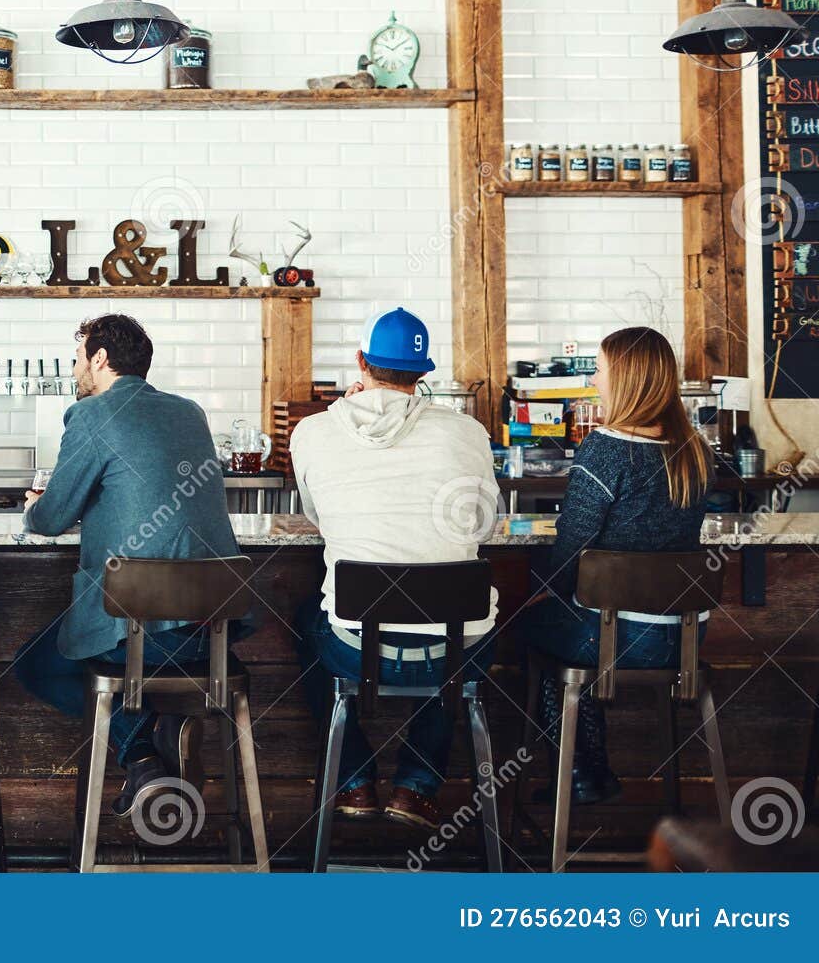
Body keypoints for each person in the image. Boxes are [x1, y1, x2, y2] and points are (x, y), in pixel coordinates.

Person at [13, 314, 241, 820]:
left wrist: (35, 504)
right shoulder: (190, 412)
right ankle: (153, 747)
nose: (75, 369)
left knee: (35, 668)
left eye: (78, 358)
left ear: (98, 358)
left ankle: (145, 747)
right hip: (211, 629)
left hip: (138, 631)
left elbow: (51, 519)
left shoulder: (92, 414)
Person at [290, 306, 500, 830]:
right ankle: (416, 788)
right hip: (451, 649)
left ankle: (355, 779)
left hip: (356, 647)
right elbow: (486, 525)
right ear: (425, 373)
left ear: (361, 362)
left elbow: (318, 517)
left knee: (307, 623)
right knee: (454, 628)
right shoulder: (468, 432)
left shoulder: (313, 432)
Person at [515, 326, 712, 805]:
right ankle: (591, 770)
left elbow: (572, 545)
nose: (594, 382)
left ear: (624, 379)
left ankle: (583, 770)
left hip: (613, 637)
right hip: (682, 640)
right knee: (573, 630)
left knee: (530, 627)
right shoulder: (695, 451)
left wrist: (538, 592)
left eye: (599, 370)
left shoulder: (605, 451)